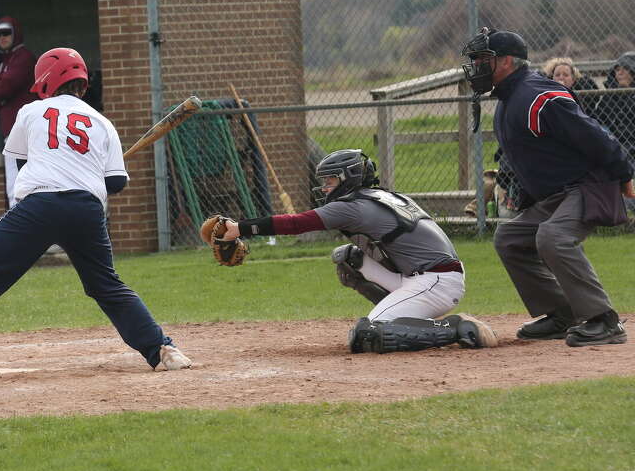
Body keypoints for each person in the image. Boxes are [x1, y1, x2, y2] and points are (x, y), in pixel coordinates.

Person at [0, 47, 191, 387]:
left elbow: (19, 163)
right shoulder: (103, 123)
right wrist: (92, 167)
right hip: (86, 210)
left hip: (38, 206)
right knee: (106, 286)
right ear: (82, 85)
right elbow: (115, 183)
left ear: (45, 81)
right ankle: (163, 350)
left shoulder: (31, 111)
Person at [210, 149, 495, 354]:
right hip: (423, 275)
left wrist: (240, 228)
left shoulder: (352, 207)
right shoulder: (383, 196)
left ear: (348, 178)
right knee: (348, 257)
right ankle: (405, 314)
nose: (325, 188)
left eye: (330, 180)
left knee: (367, 333)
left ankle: (454, 329)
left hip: (434, 281)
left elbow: (298, 224)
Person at [461, 27, 633, 347]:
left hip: (589, 185)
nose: (476, 66)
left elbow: (592, 134)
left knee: (553, 237)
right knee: (510, 238)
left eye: (484, 59)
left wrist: (624, 174)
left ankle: (604, 320)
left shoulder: (537, 95)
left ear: (507, 62)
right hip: (558, 193)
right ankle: (562, 314)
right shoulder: (510, 99)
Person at [0, 16, 37, 205]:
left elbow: (4, 87)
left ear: (16, 34)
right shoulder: (5, 61)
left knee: (24, 187)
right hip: (13, 133)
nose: (2, 37)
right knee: (14, 189)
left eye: (6, 33)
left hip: (26, 132)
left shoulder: (24, 57)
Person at [593, 51, 635, 161]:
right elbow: (599, 118)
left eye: (624, 69)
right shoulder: (610, 94)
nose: (619, 73)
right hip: (614, 141)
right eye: (617, 70)